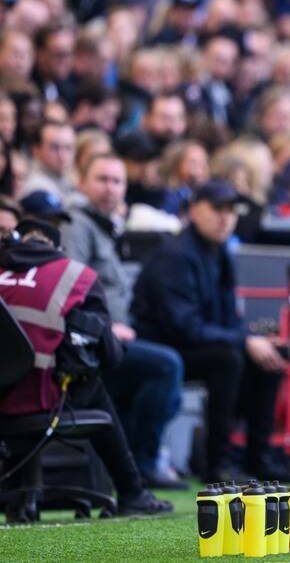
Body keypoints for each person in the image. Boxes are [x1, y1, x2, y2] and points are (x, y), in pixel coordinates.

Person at [0, 219, 172, 516]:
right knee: (93, 386)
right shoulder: (74, 275)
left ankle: (21, 494)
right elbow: (110, 354)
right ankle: (132, 492)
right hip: (41, 402)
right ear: (56, 247)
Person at [130, 180, 287, 482]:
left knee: (269, 359)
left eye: (231, 210)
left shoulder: (220, 253)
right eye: (217, 209)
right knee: (228, 359)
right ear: (194, 210)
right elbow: (182, 327)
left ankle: (258, 459)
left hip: (198, 343)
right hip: (162, 347)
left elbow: (228, 318)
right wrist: (245, 341)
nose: (225, 217)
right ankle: (218, 464)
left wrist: (256, 341)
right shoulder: (175, 255)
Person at [61, 153, 187, 489]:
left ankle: (128, 463)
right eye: (101, 179)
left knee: (170, 371)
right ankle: (139, 469)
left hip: (116, 336)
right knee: (166, 366)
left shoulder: (104, 227)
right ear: (82, 182)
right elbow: (69, 288)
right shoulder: (76, 224)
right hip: (92, 341)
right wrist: (106, 327)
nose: (109, 188)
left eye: (117, 181)